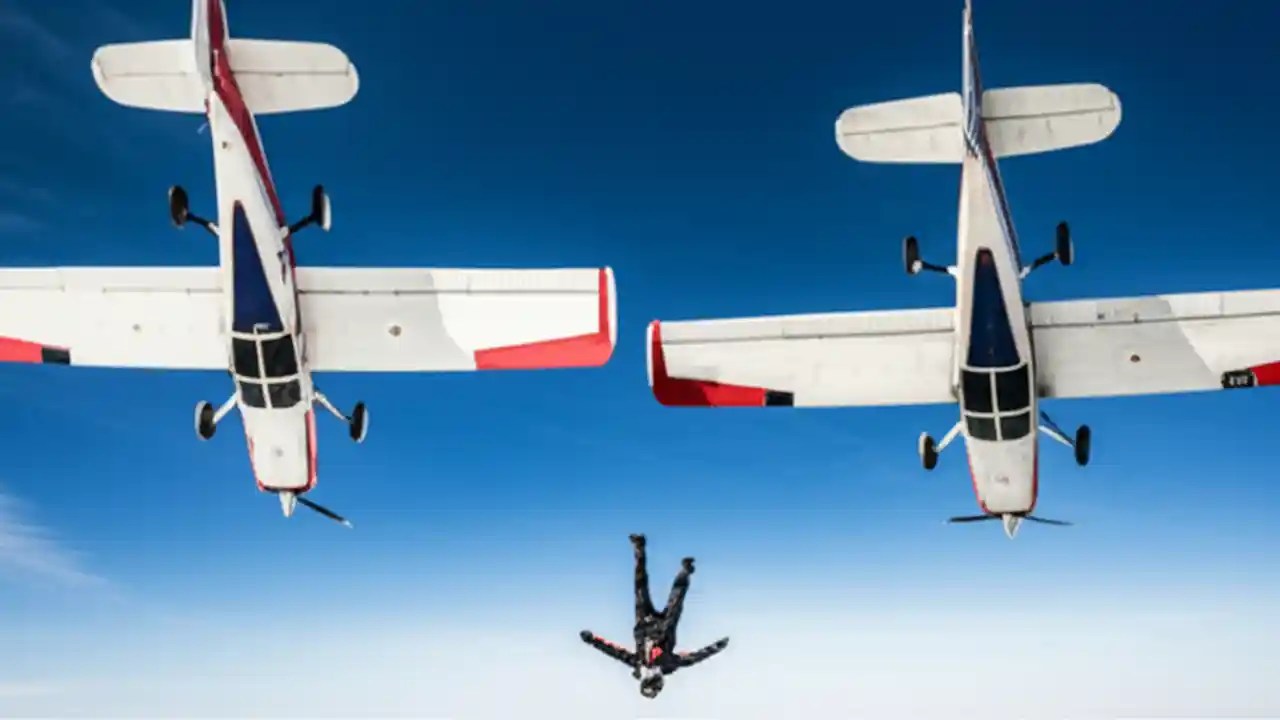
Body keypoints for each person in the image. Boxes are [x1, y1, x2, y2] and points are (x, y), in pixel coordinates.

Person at [579, 533, 729, 698]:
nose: (652, 672)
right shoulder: (668, 664)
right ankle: (685, 571)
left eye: (649, 678)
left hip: (644, 623)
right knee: (676, 599)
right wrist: (716, 647)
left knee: (640, 587)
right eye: (656, 678)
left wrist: (592, 640)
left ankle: (639, 548)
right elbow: (692, 658)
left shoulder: (638, 663)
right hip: (664, 626)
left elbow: (613, 651)